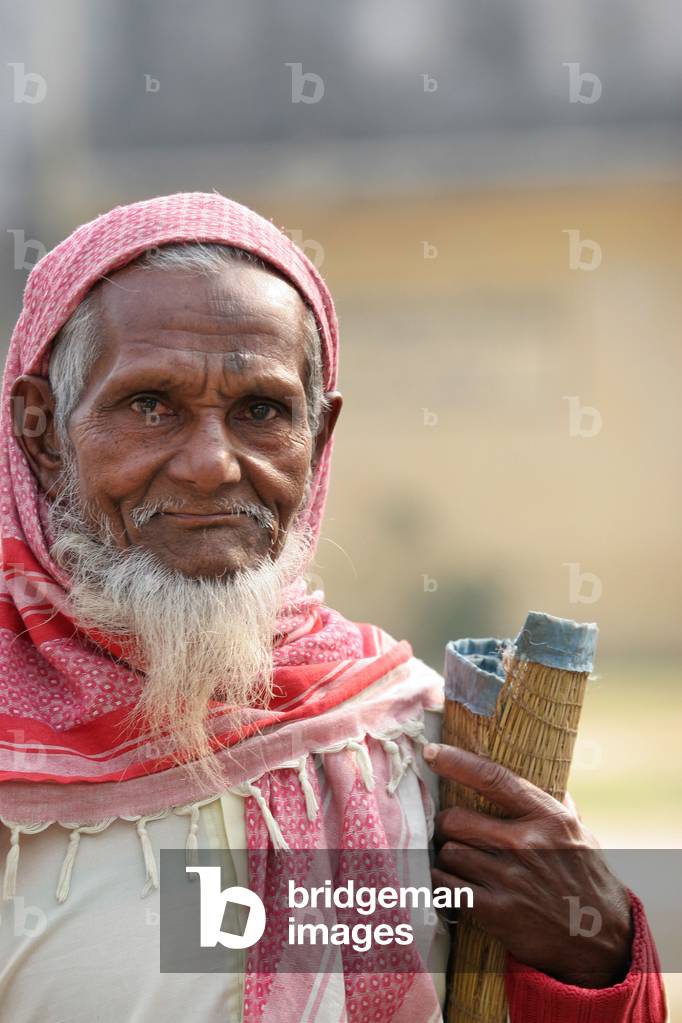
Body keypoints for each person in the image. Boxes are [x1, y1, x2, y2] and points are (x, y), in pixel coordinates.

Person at [0, 193, 665, 1021]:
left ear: (318, 437)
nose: (211, 465)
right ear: (42, 429)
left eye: (261, 411)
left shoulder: (414, 739)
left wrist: (597, 950)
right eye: (150, 405)